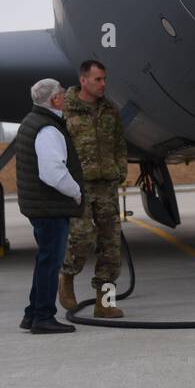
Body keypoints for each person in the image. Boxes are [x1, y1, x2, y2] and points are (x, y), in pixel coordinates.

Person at [59, 59, 128, 318]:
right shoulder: (66, 110)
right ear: (83, 80)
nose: (103, 84)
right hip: (79, 186)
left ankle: (104, 302)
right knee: (81, 237)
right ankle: (66, 276)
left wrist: (120, 170)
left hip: (107, 185)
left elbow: (120, 144)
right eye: (98, 79)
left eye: (104, 79)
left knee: (110, 245)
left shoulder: (110, 110)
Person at [16, 79, 84, 334]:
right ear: (54, 100)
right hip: (50, 208)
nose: (66, 97)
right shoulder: (48, 129)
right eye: (63, 94)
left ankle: (32, 313)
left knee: (45, 259)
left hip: (41, 207)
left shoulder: (32, 122)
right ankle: (44, 317)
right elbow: (53, 173)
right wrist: (76, 192)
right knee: (50, 262)